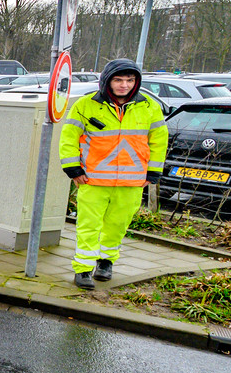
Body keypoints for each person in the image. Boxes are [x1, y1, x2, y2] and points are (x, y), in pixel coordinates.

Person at [58, 58, 168, 289]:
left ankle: (106, 263)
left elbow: (159, 141)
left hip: (132, 182)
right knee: (88, 226)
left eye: (130, 80)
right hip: (93, 179)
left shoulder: (149, 107)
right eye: (118, 79)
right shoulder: (85, 105)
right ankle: (83, 269)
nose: (124, 85)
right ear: (107, 80)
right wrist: (73, 169)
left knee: (117, 225)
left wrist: (154, 172)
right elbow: (68, 138)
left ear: (136, 82)